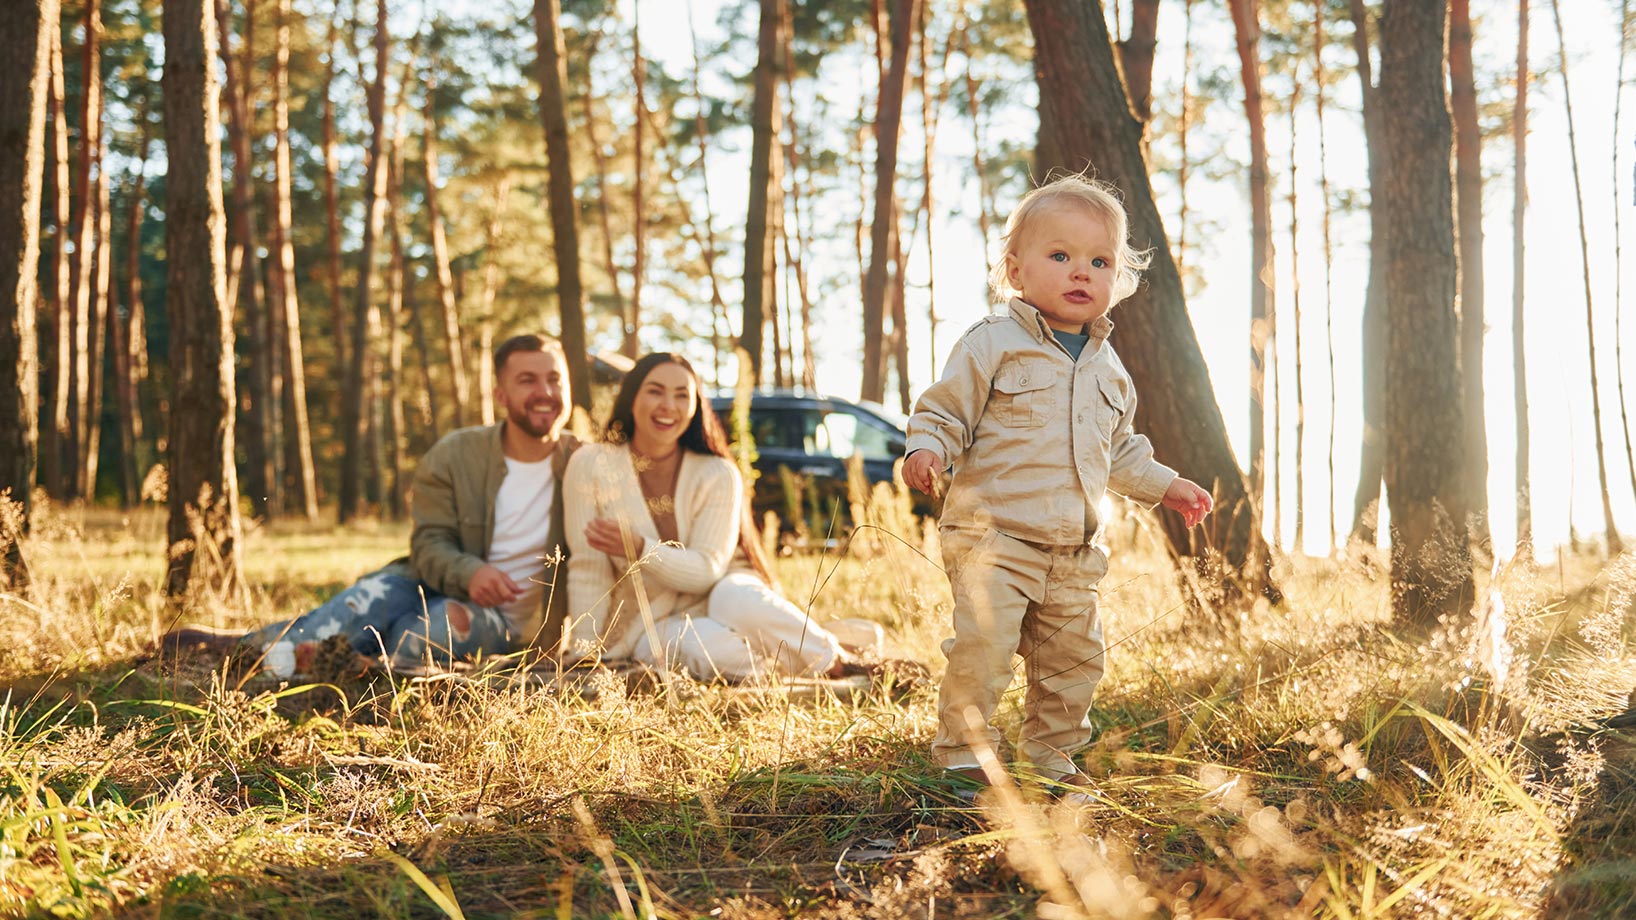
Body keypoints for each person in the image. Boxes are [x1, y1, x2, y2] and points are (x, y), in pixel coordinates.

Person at [901, 173, 1214, 794]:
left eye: (1099, 261)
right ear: (1016, 272)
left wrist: (1169, 484)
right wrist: (928, 446)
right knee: (983, 650)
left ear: (1116, 280)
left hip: (1075, 550)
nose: (1081, 273)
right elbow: (945, 409)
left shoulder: (1109, 367)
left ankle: (1050, 757)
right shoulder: (994, 342)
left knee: (1074, 663)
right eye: (1061, 255)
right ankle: (964, 756)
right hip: (994, 537)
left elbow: (1120, 449)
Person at [228, 333, 581, 679]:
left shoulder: (585, 465)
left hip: (502, 624)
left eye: (554, 379)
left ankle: (360, 670)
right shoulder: (456, 454)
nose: (545, 393)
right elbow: (428, 544)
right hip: (425, 584)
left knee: (430, 634)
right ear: (500, 394)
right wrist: (469, 572)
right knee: (366, 602)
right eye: (528, 381)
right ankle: (248, 653)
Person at [561, 352, 854, 682]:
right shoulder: (591, 464)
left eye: (682, 395)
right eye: (655, 391)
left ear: (696, 405)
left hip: (720, 592)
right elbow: (588, 568)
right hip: (652, 624)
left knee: (737, 597)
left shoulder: (718, 473)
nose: (668, 406)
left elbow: (707, 571)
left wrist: (641, 548)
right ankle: (781, 678)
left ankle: (838, 663)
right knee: (699, 648)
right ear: (631, 398)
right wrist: (585, 652)